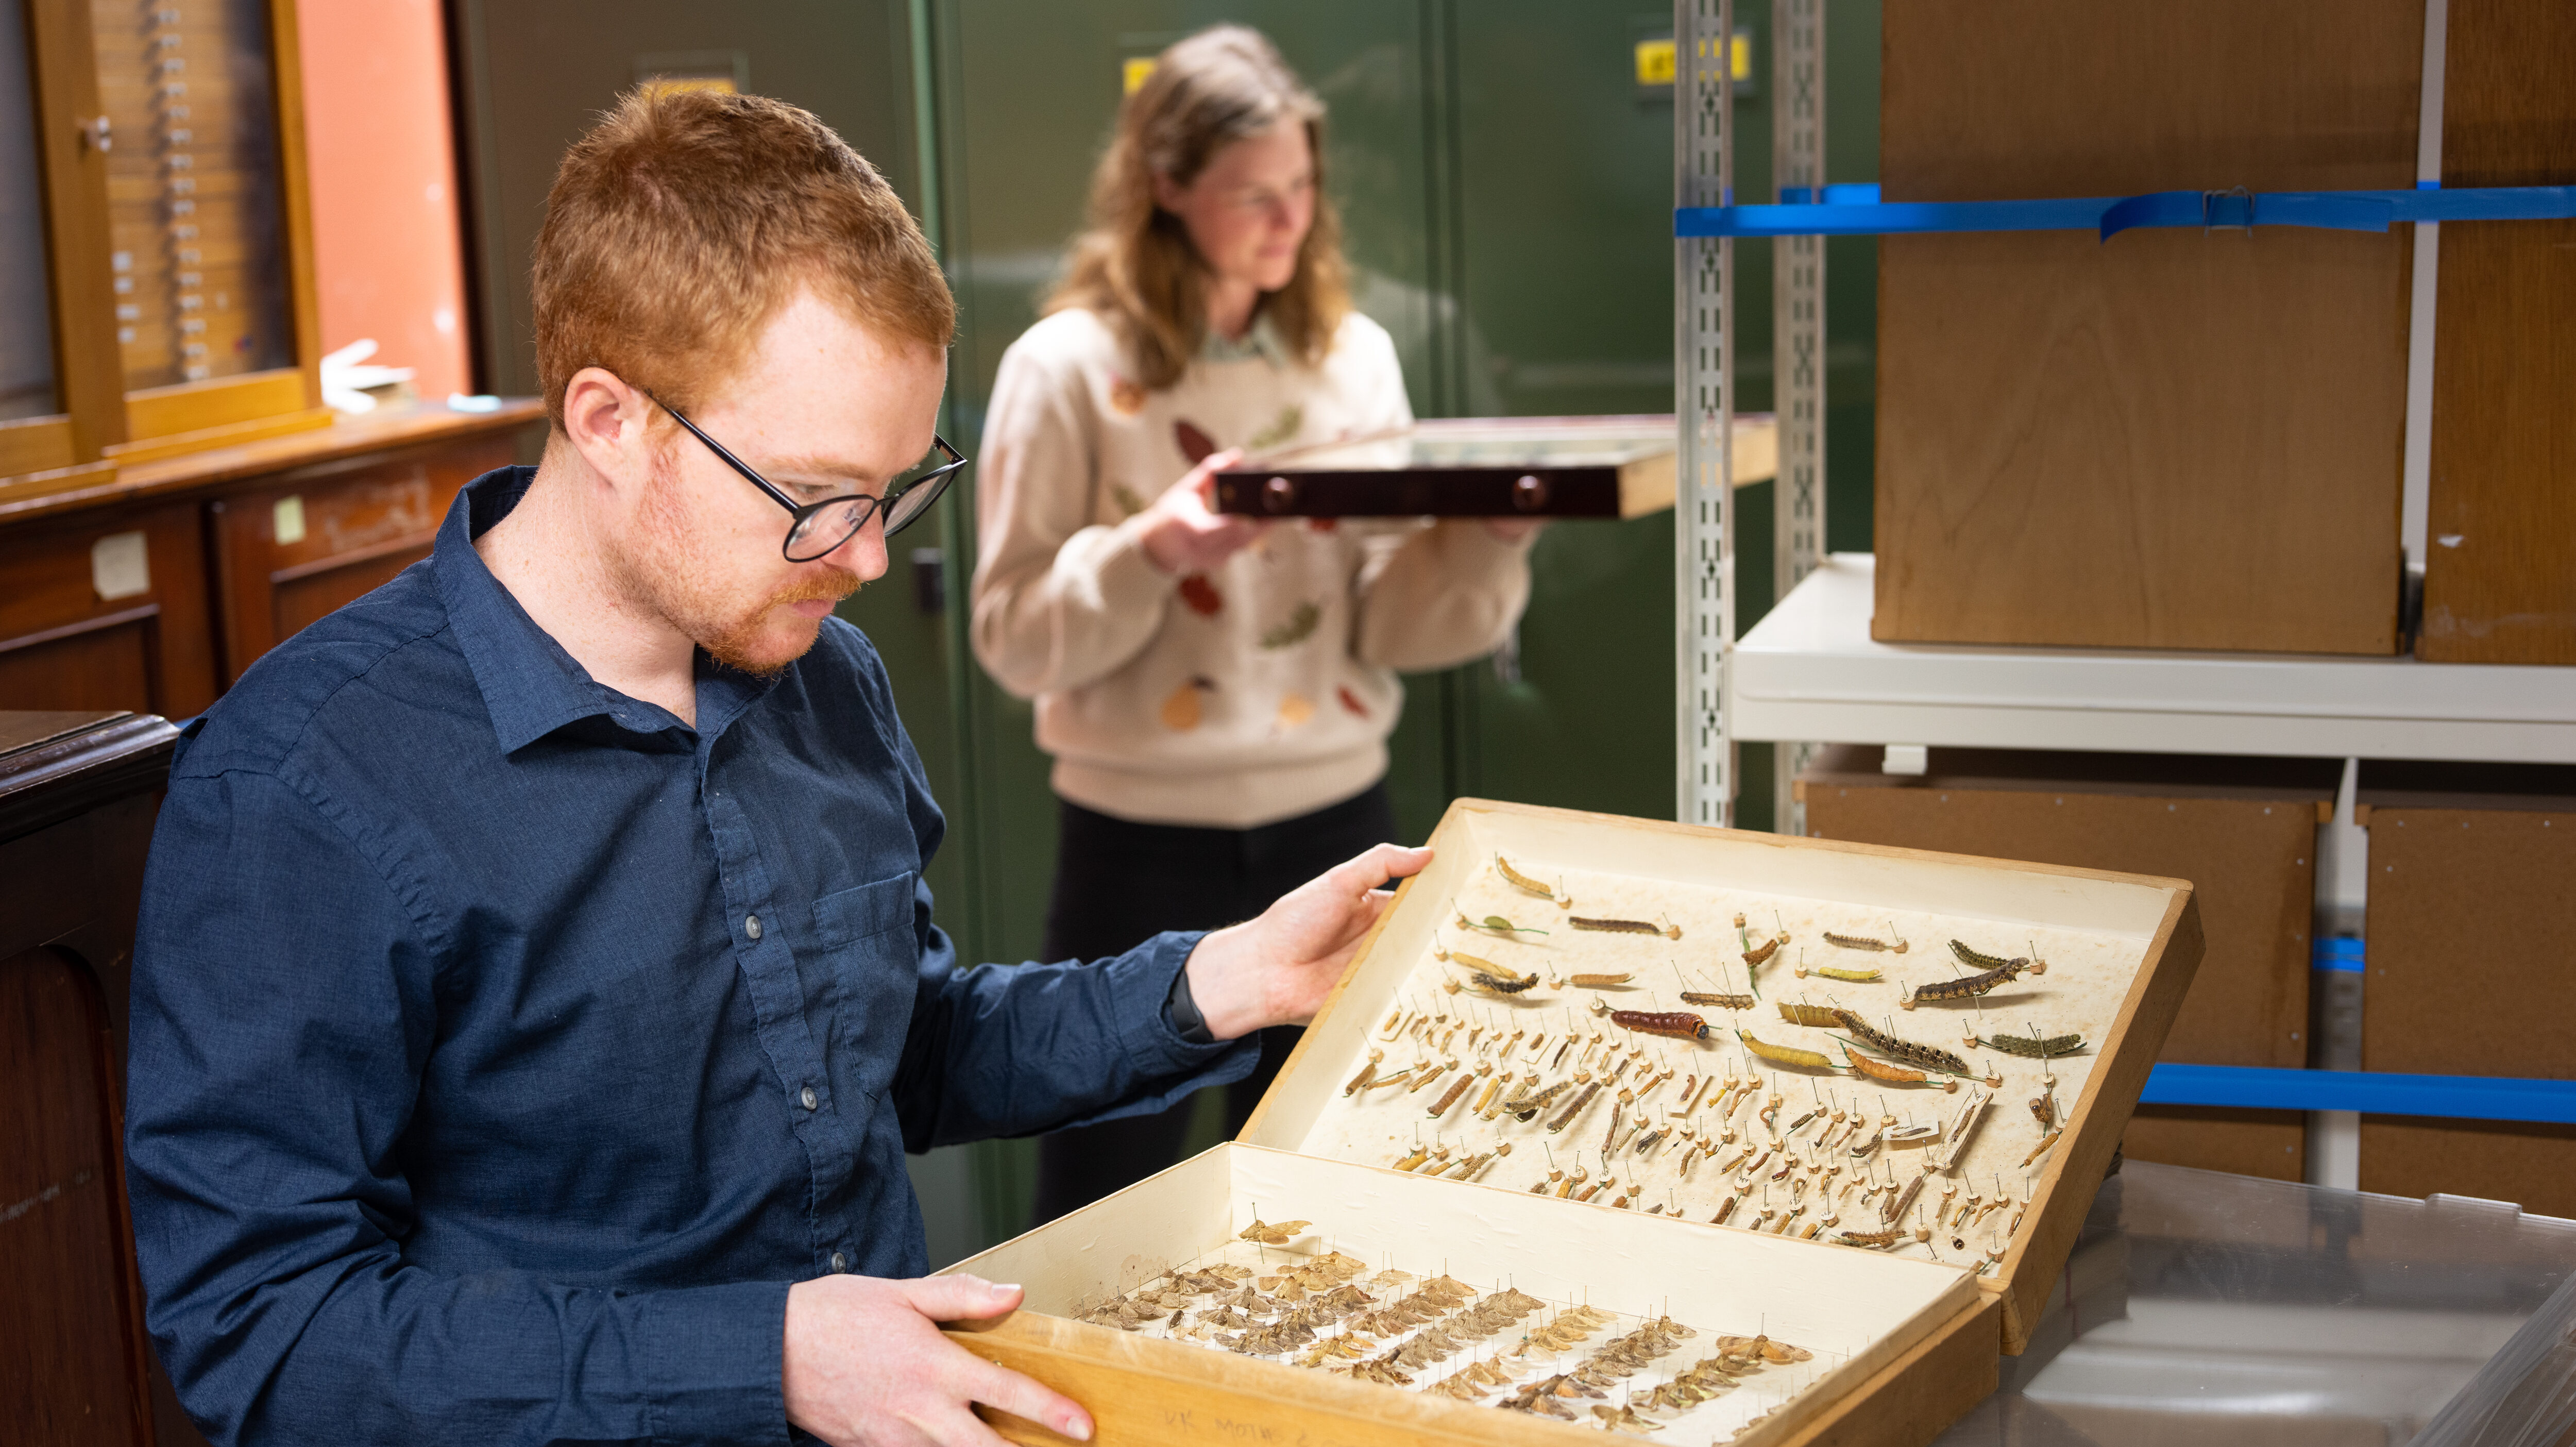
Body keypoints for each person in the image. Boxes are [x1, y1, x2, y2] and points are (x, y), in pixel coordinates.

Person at [122, 87, 1427, 1447]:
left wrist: (1220, 981)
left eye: (898, 487)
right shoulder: (303, 782)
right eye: (819, 499)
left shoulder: (823, 674)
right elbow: (263, 1334)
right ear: (610, 420)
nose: (868, 559)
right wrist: (767, 1358)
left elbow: (899, 1051)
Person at [970, 25, 1536, 1227]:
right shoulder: (1062, 368)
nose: (1287, 223)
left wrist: (1488, 545)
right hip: (1136, 843)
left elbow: (1386, 624)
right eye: (1251, 196)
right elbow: (1012, 635)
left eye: (1301, 191)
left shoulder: (1355, 359)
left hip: (1332, 827)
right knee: (1104, 1197)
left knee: (1325, 1188)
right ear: (1165, 188)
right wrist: (1156, 549)